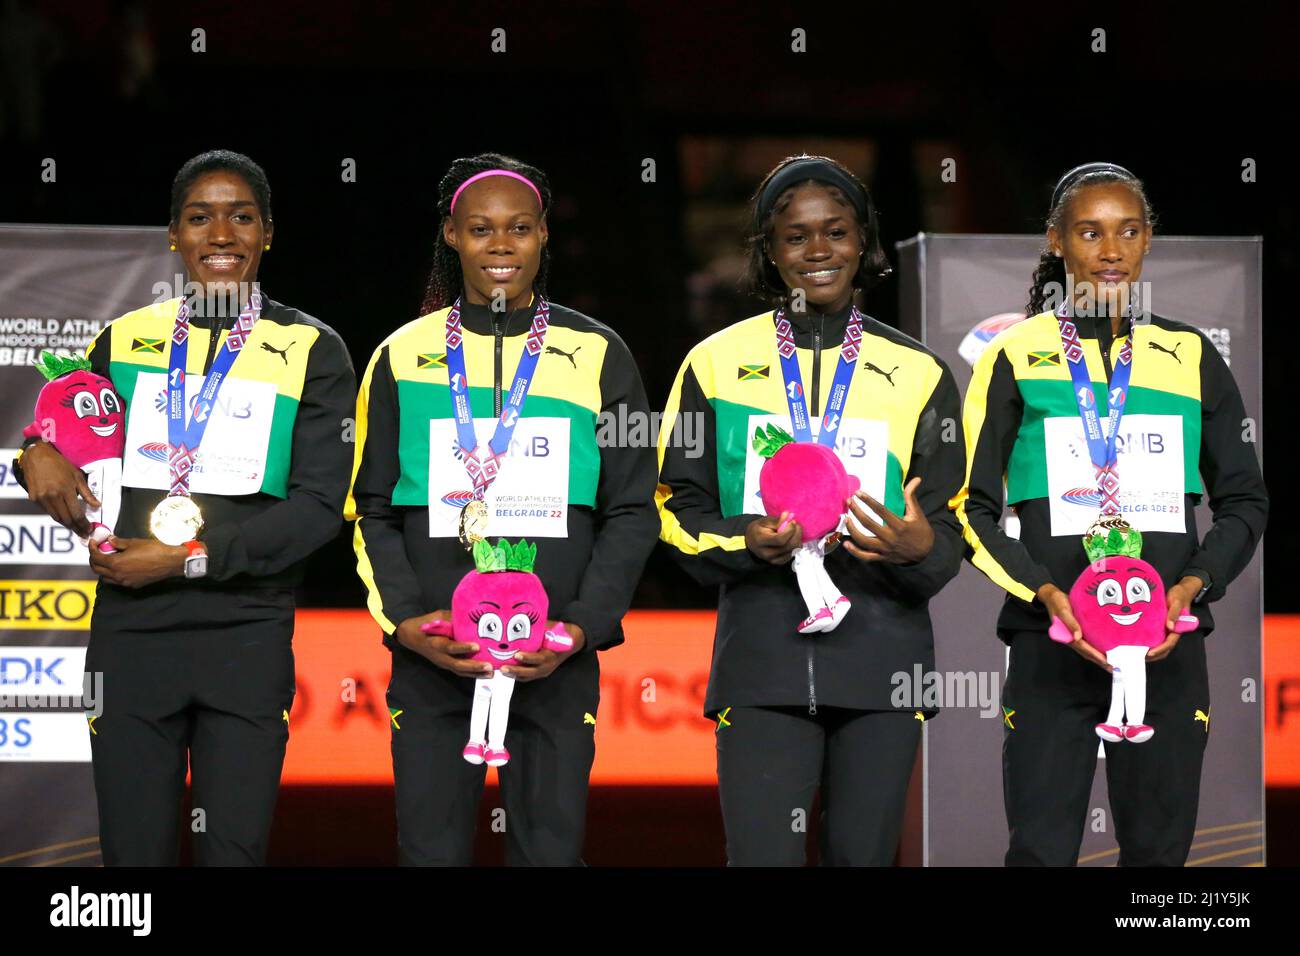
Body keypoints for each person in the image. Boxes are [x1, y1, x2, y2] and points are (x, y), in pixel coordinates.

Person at [15, 149, 356, 866]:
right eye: (200, 218)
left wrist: (186, 558)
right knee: (132, 858)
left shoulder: (311, 348)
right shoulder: (127, 337)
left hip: (246, 629)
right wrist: (33, 452)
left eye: (242, 217)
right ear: (174, 235)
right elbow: (68, 431)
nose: (221, 234)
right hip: (132, 634)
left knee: (231, 851)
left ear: (268, 233)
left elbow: (320, 507)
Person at [346, 152, 659, 866]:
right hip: (434, 658)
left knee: (549, 853)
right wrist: (405, 622)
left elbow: (634, 509)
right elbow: (370, 509)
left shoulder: (598, 353)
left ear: (543, 236)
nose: (500, 245)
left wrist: (579, 630)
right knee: (430, 853)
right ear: (451, 236)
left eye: (518, 228)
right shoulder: (400, 355)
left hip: (551, 659)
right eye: (480, 229)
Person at [953, 162, 1268, 866]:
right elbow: (968, 507)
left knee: (1158, 860)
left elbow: (1246, 499)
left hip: (1166, 643)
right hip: (1050, 643)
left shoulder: (1188, 356)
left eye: (1128, 230)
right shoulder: (1015, 355)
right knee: (1040, 851)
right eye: (1089, 232)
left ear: (1149, 240)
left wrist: (1191, 587)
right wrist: (1044, 591)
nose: (1111, 250)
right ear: (1057, 243)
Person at [656, 155, 966, 865]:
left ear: (865, 242)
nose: (819, 250)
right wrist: (745, 543)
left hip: (883, 665)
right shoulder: (714, 363)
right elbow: (676, 508)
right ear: (770, 251)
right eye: (796, 236)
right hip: (762, 664)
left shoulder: (919, 372)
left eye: (836, 232)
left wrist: (920, 551)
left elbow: (952, 524)